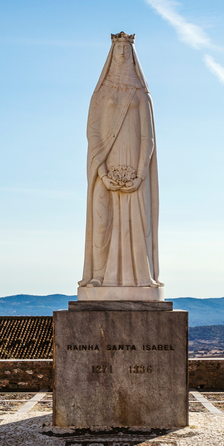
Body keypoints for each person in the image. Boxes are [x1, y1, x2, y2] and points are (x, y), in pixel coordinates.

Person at [78, 32, 163, 297]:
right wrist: (101, 172)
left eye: (127, 48)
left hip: (134, 171)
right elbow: (93, 133)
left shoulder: (141, 95)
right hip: (106, 169)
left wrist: (140, 175)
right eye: (119, 48)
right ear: (112, 54)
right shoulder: (101, 94)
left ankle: (138, 279)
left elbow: (147, 137)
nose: (123, 53)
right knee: (102, 224)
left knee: (138, 227)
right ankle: (99, 277)